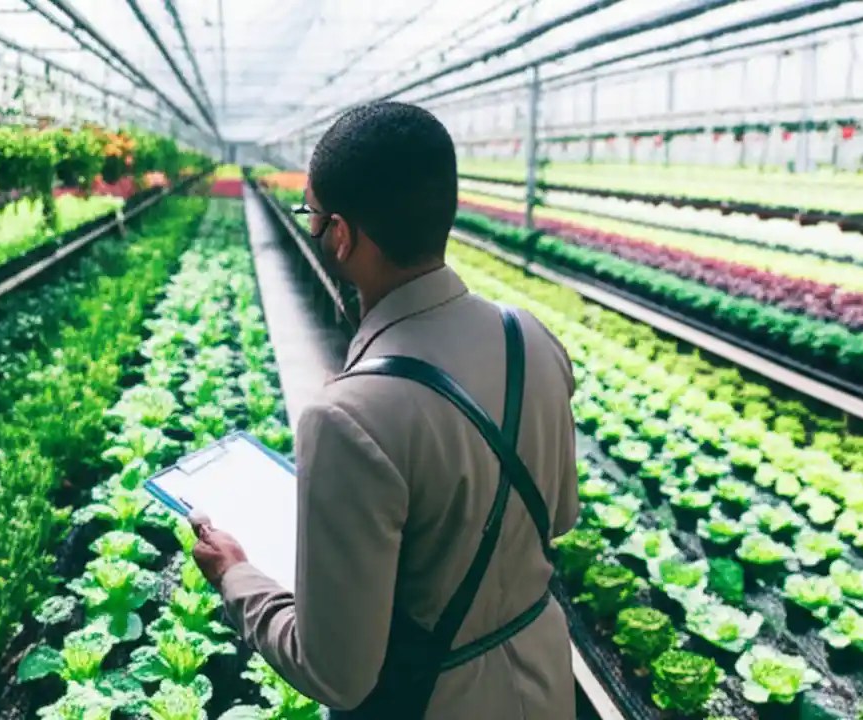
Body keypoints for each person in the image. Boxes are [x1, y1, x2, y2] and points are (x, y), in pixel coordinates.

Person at [191, 101, 579, 719]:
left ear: (341, 236)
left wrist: (236, 576)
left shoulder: (347, 416)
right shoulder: (531, 337)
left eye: (314, 217)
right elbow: (557, 517)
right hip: (543, 679)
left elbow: (337, 674)